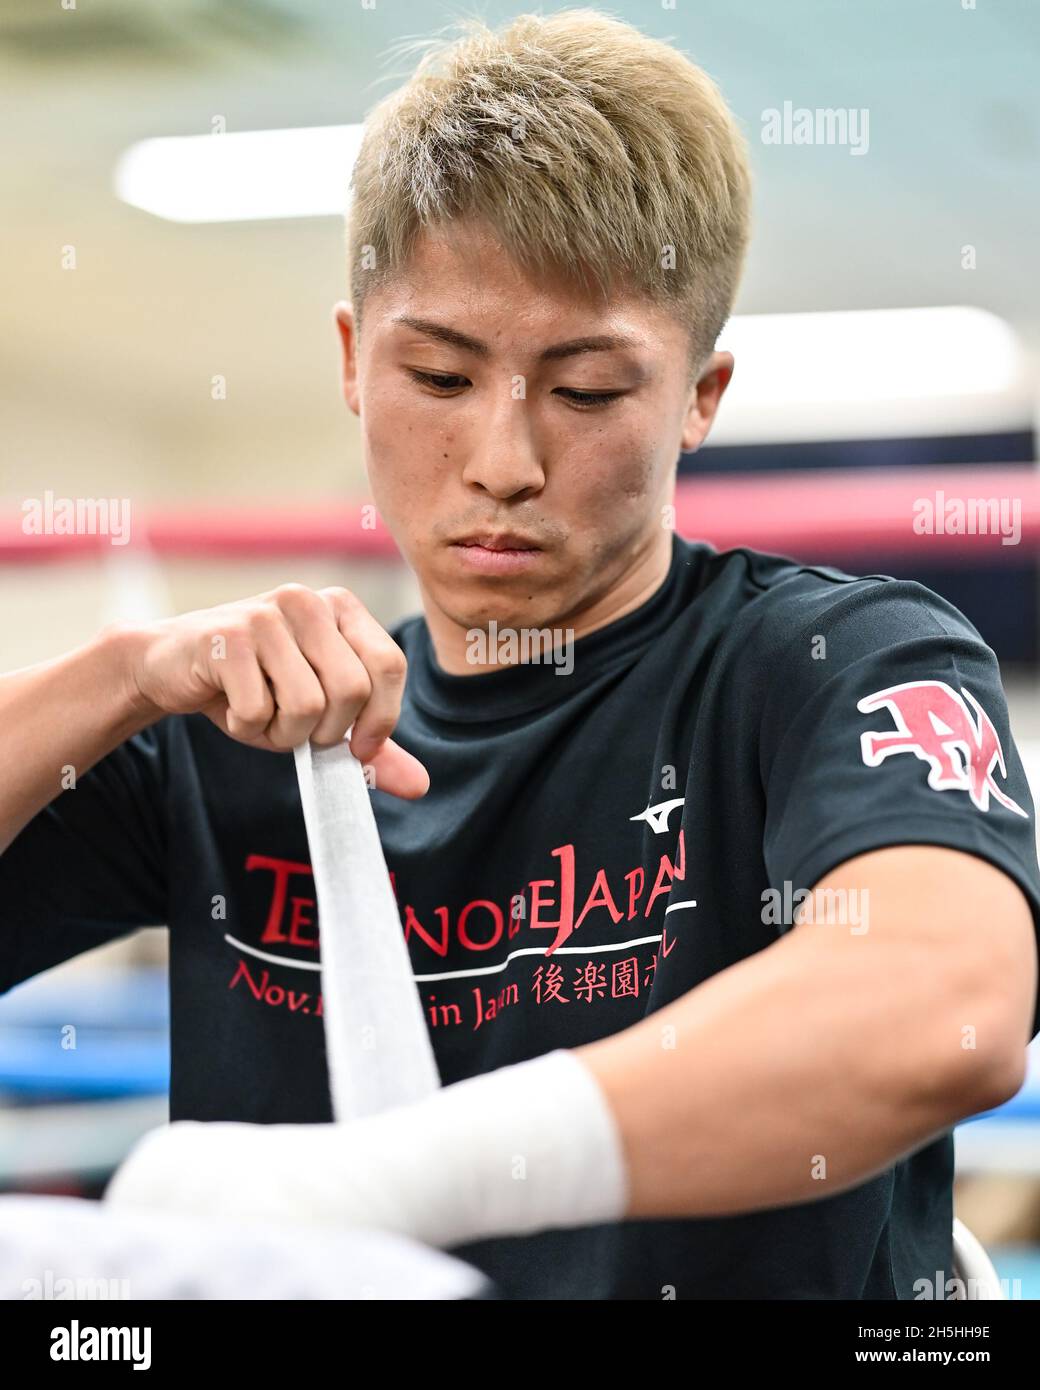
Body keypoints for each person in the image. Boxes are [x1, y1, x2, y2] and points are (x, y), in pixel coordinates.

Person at [3, 10, 1038, 1301]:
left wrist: (402, 1175)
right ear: (348, 360)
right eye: (438, 376)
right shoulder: (239, 733)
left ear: (702, 397)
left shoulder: (833, 663)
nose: (505, 461)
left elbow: (949, 997)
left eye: (590, 390)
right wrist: (120, 674)